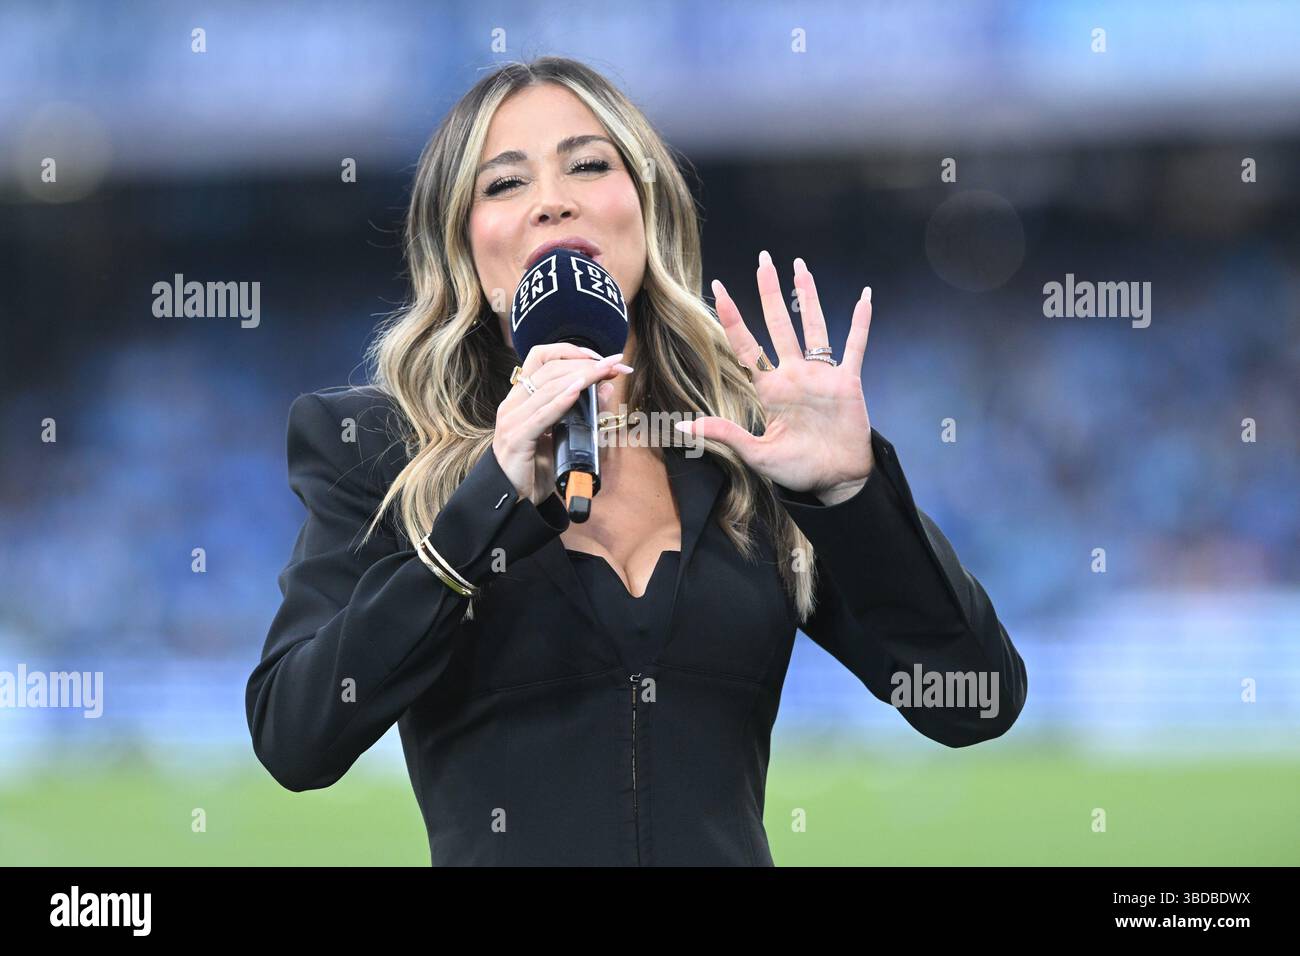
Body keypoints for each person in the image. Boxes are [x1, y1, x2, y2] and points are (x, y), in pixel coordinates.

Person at [245, 56, 1027, 866]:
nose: (554, 199)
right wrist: (486, 503)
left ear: (646, 209)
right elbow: (296, 738)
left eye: (589, 164)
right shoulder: (378, 444)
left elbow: (977, 702)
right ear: (462, 246)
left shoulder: (747, 444)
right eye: (504, 184)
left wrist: (849, 492)